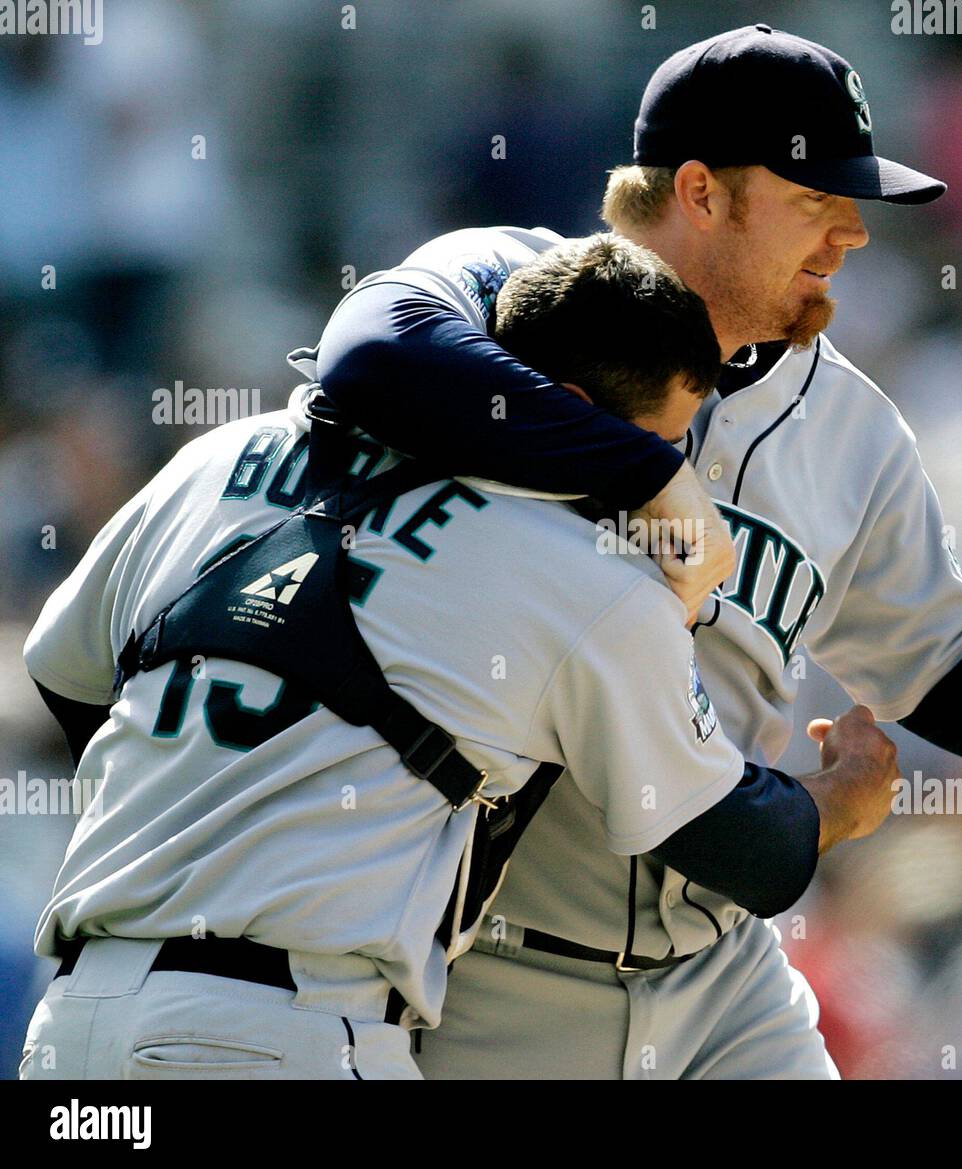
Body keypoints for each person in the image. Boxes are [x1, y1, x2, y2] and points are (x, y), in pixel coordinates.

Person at [306, 26, 962, 1079]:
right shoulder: (518, 285)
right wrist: (647, 473)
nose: (851, 233)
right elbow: (370, 351)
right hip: (492, 969)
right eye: (813, 200)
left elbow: (952, 666)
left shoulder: (851, 426)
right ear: (701, 192)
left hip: (722, 970)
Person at [19, 234, 899, 1080]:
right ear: (573, 409)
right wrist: (843, 798)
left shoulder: (212, 458)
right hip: (292, 1027)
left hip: (70, 1022)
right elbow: (737, 840)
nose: (669, 470)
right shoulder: (579, 573)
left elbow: (64, 671)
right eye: (663, 442)